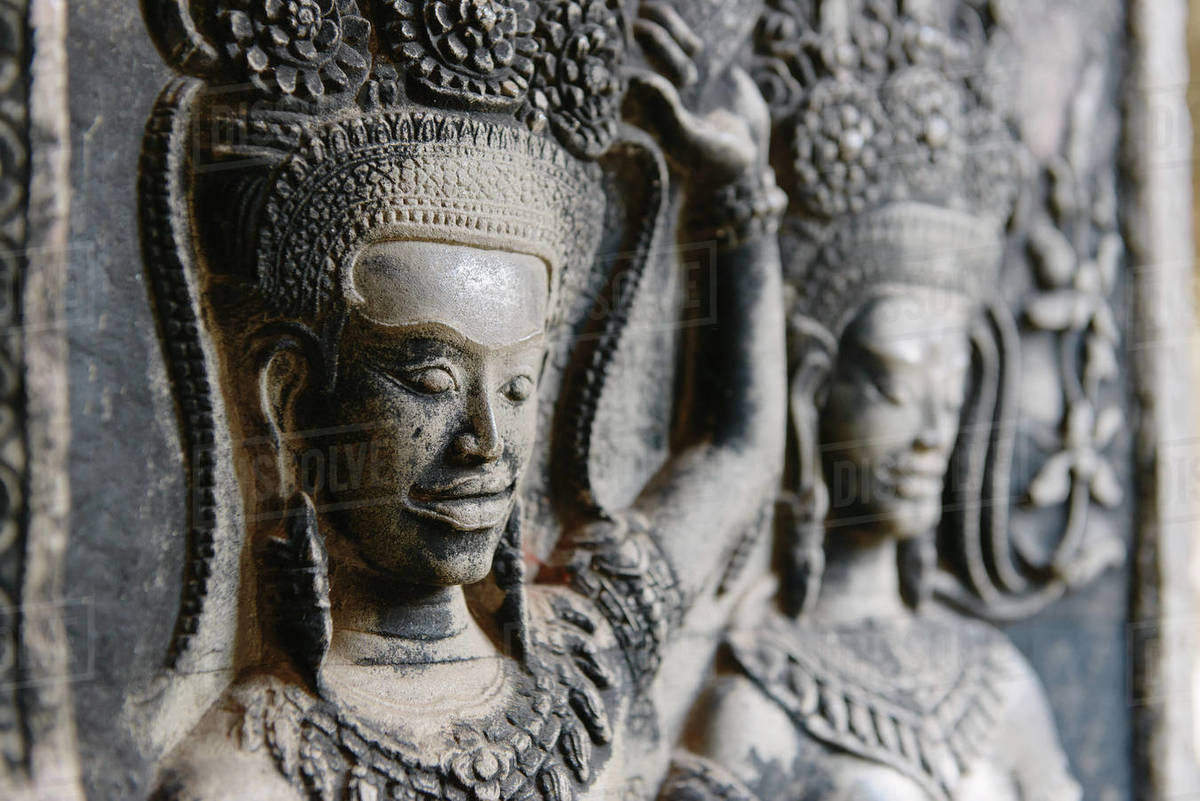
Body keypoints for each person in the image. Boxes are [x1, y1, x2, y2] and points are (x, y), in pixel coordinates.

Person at [139, 1, 786, 799]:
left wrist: (736, 193)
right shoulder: (251, 773)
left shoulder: (586, 658)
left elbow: (733, 451)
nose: (486, 440)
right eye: (431, 381)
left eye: (517, 387)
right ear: (287, 394)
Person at [659, 2, 1081, 799]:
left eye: (950, 398)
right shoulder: (756, 701)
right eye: (894, 386)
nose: (930, 434)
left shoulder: (999, 681)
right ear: (813, 394)